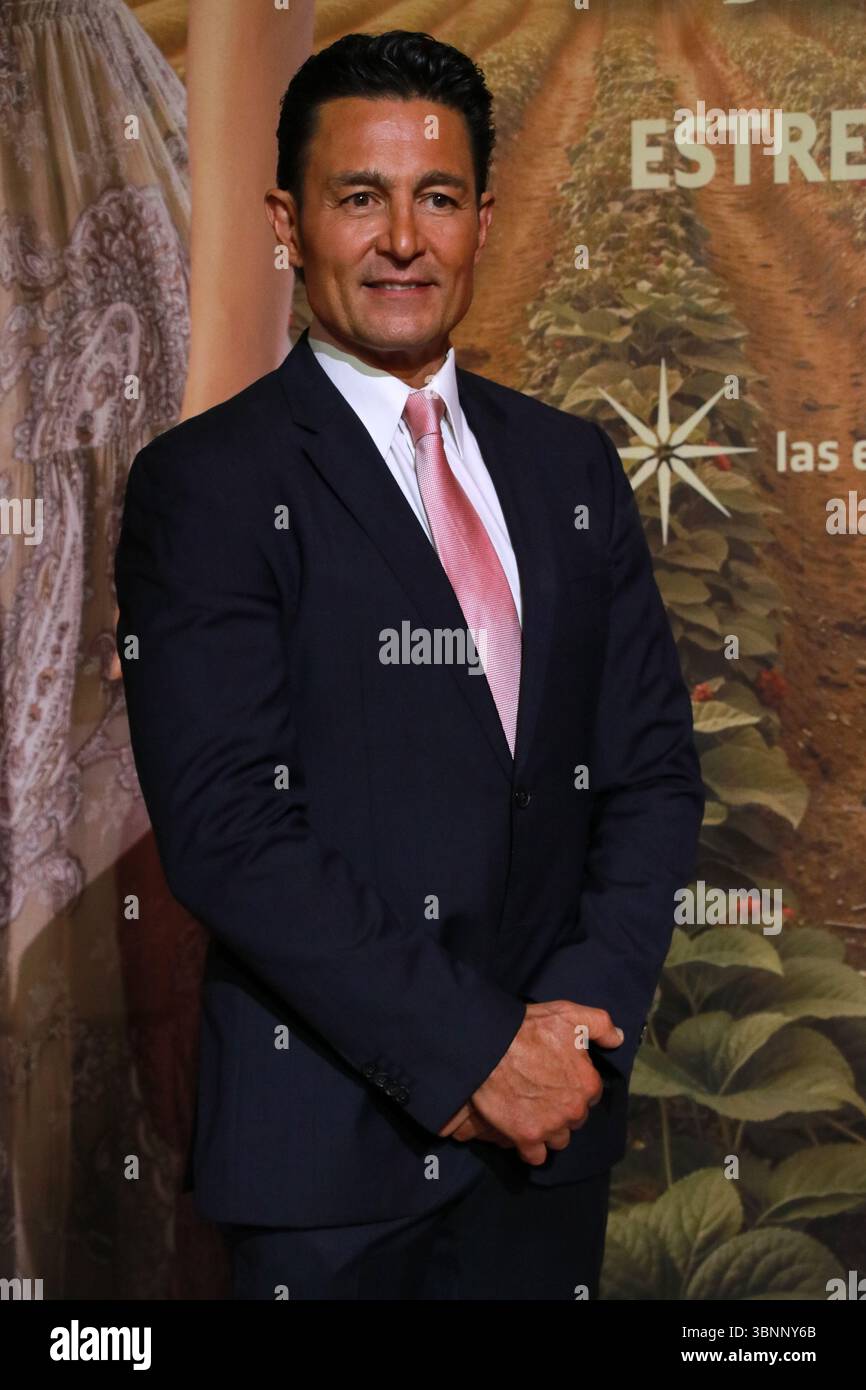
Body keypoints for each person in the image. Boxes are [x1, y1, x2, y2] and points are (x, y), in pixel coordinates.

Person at [114, 29, 705, 1301]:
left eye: (436, 197)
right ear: (288, 220)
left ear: (482, 219)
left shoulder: (568, 470)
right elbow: (227, 832)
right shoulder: (207, 487)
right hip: (328, 1177)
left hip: (544, 1156)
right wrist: (474, 1052)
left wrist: (574, 1031)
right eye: (358, 197)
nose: (402, 239)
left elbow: (650, 773)